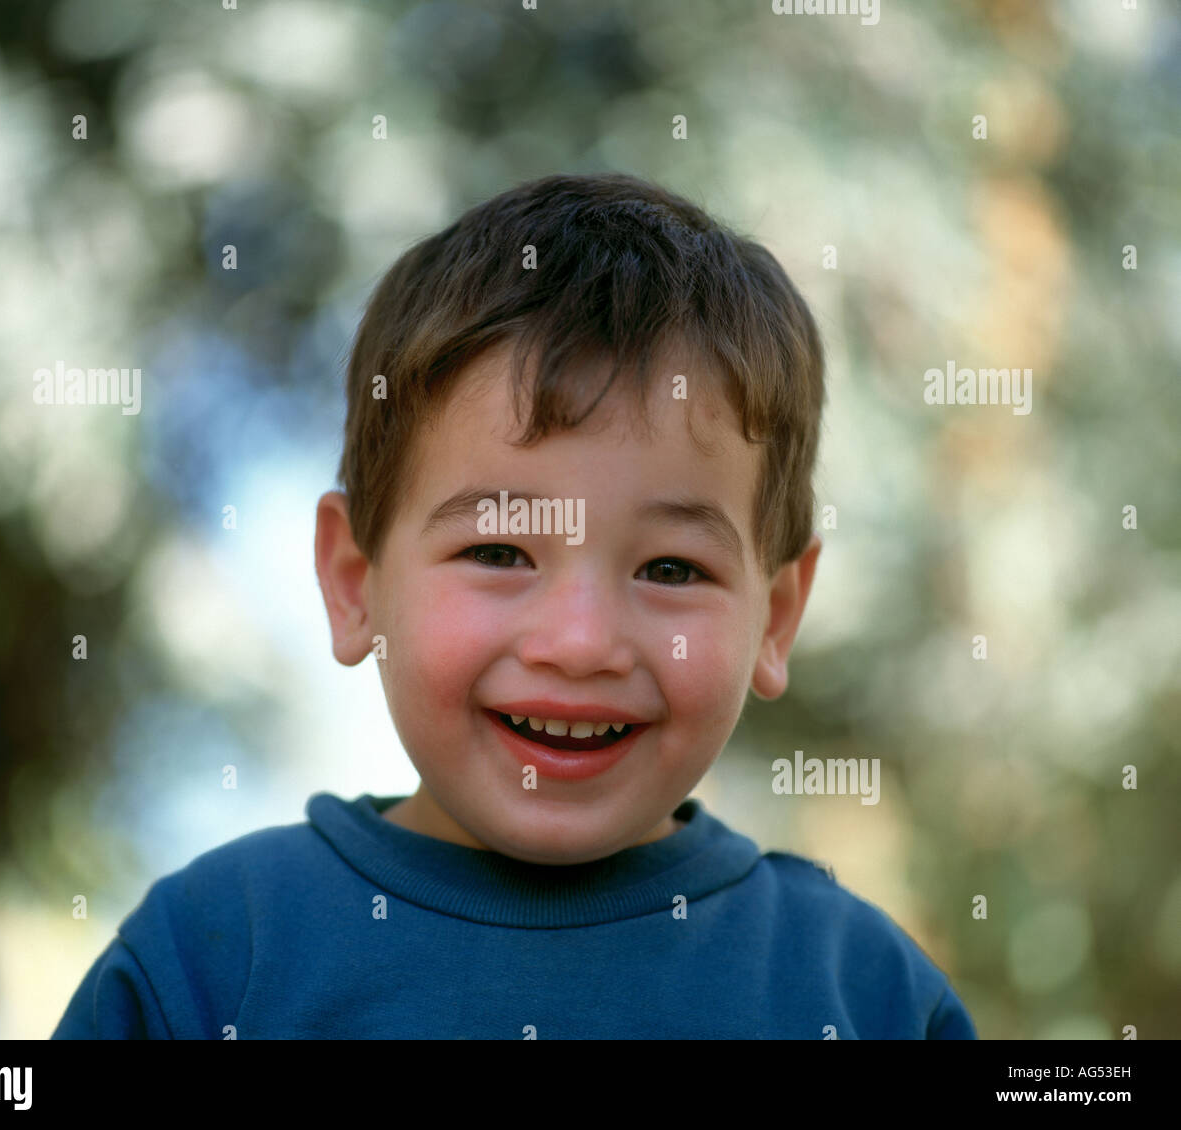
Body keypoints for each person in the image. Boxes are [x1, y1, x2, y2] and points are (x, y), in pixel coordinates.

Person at [53, 172, 976, 1038]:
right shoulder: (213, 959)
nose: (580, 643)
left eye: (670, 570)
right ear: (353, 583)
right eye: (498, 552)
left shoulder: (862, 994)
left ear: (774, 619)